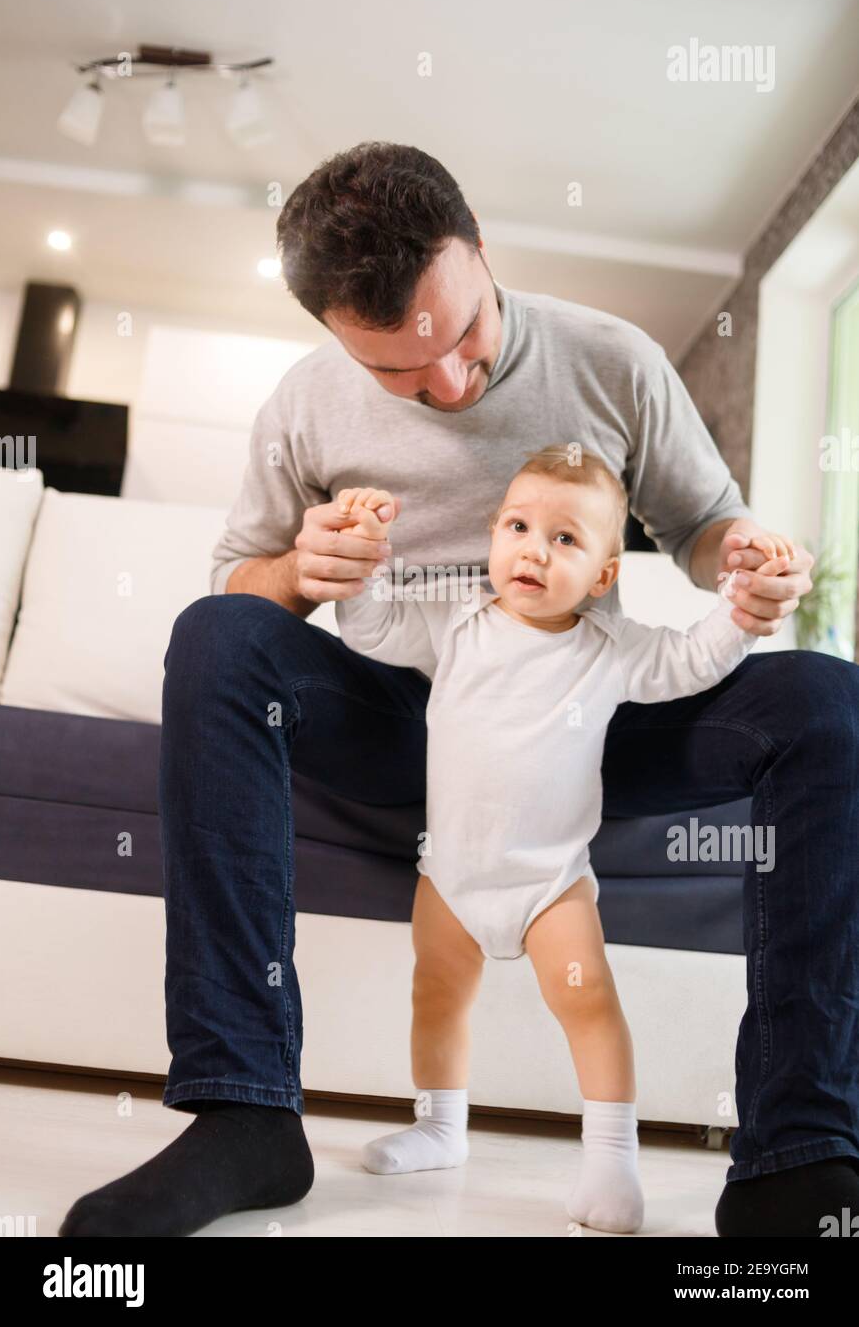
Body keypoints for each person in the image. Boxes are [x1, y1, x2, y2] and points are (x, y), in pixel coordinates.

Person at [60, 142, 858, 1241]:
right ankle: (243, 1112)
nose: (446, 384)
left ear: (479, 247)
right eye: (396, 370)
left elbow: (704, 525)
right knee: (218, 634)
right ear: (334, 333)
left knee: (823, 696)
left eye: (463, 335)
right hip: (404, 728)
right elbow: (238, 588)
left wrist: (746, 562)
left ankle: (794, 1155)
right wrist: (300, 572)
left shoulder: (612, 358)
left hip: (587, 724)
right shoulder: (303, 407)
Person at [331, 451, 790, 1235]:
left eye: (565, 540)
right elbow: (370, 626)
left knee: (586, 1001)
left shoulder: (609, 650)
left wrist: (741, 612)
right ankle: (441, 1127)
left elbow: (691, 659)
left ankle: (611, 1154)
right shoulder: (457, 619)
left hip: (550, 882)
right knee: (436, 996)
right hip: (451, 872)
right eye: (518, 527)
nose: (533, 551)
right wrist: (366, 552)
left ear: (605, 577)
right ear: (493, 534)